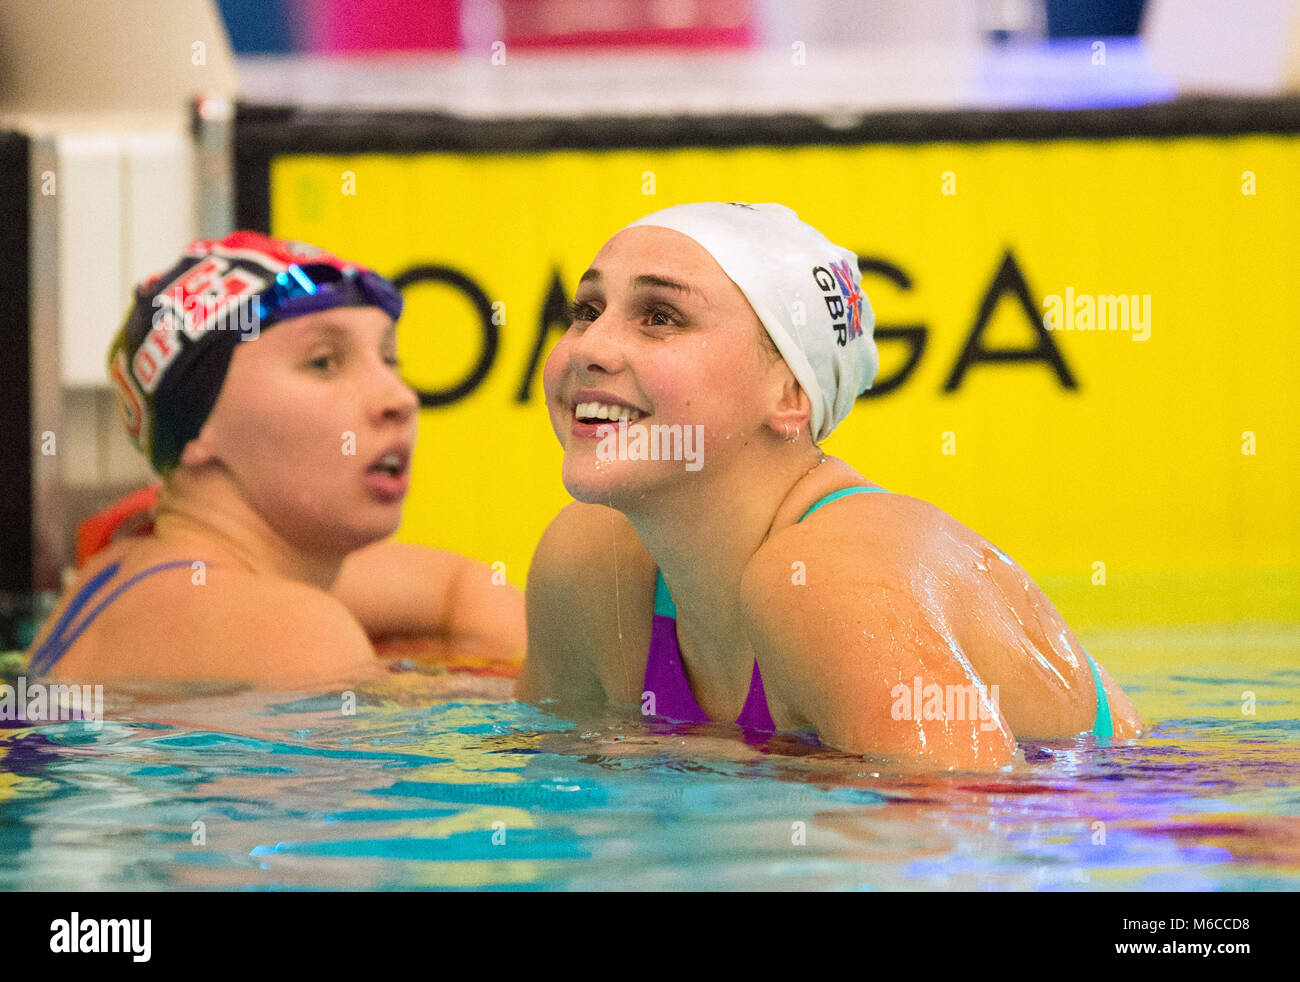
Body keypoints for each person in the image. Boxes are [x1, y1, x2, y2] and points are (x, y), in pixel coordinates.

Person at [517, 202, 1142, 770]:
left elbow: (963, 844)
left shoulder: (831, 579)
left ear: (791, 394)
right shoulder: (587, 566)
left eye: (660, 316)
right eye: (587, 312)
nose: (589, 348)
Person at [28, 232, 524, 687]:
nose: (400, 399)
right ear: (196, 424)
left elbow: (457, 585)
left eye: (390, 360)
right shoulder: (295, 630)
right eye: (324, 362)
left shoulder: (130, 564)